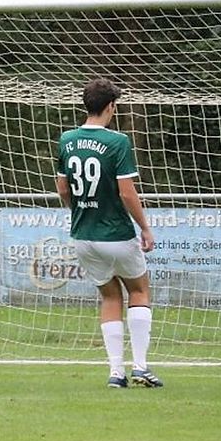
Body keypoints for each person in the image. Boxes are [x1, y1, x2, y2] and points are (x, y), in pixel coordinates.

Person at [55, 78, 163, 389]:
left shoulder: (67, 140)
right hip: (116, 233)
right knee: (139, 291)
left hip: (83, 235)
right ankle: (141, 367)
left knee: (109, 296)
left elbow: (63, 187)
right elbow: (127, 192)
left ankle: (116, 373)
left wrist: (77, 211)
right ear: (111, 106)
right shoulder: (118, 142)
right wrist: (144, 227)